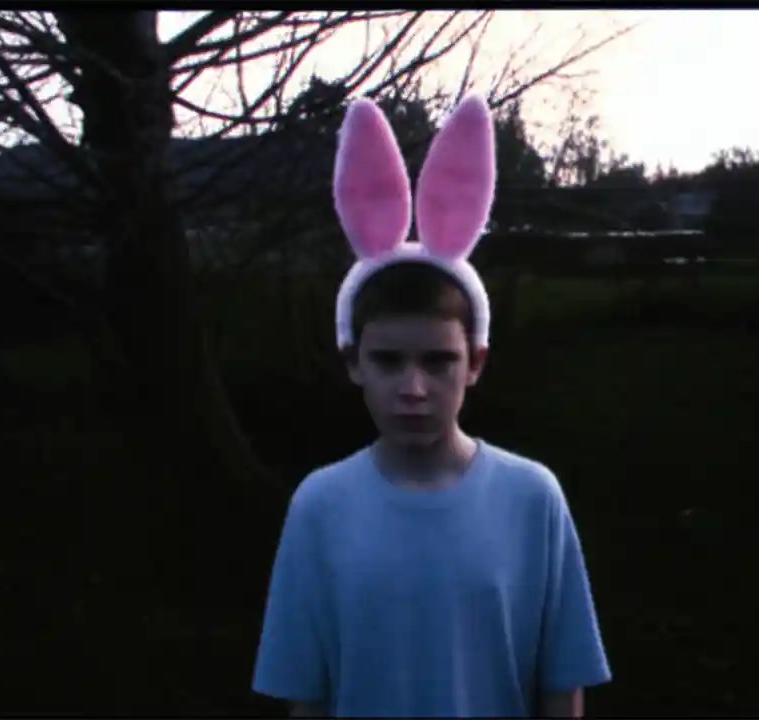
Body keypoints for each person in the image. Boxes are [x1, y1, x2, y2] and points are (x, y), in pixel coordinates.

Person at [251, 93, 611, 718]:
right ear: (352, 362)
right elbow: (303, 694)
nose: (413, 388)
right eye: (388, 361)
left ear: (474, 363)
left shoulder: (533, 498)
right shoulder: (320, 505)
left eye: (438, 362)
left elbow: (563, 686)